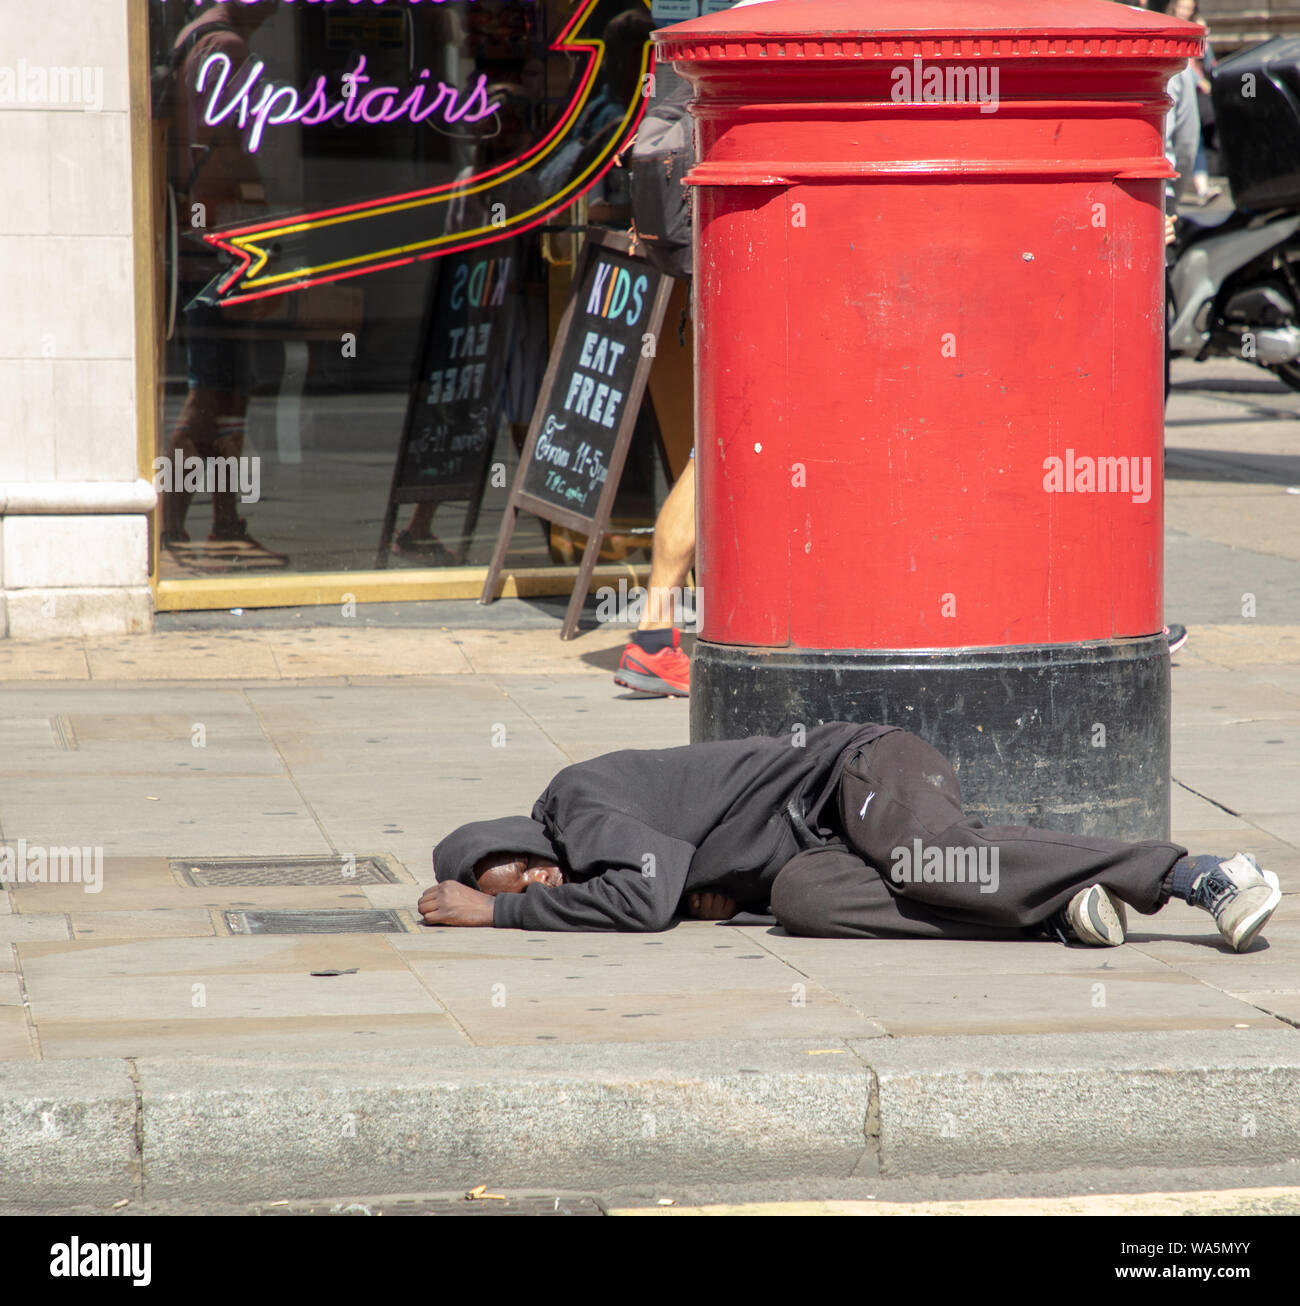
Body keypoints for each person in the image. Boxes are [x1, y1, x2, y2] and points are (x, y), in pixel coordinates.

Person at [417, 722, 1280, 952]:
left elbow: (643, 895)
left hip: (857, 772)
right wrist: (700, 895)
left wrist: (496, 921)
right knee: (804, 903)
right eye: (515, 892)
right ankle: (1052, 909)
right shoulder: (592, 847)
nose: (534, 884)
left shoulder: (573, 803)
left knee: (922, 858)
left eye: (521, 868)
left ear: (520, 833)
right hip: (817, 853)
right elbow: (665, 882)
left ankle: (1190, 873)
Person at [161, 1, 287, 567]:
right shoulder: (226, 46)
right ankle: (173, 525)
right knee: (213, 392)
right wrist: (260, 217)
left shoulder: (194, 37)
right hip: (223, 243)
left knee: (226, 392)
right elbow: (219, 152)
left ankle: (220, 523)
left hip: (205, 238)